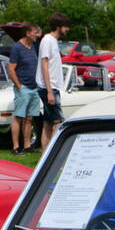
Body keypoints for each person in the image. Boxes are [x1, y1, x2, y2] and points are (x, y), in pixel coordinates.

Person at [8, 23, 42, 154]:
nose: (37, 35)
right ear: (28, 33)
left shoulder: (34, 46)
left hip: (34, 88)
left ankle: (27, 145)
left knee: (29, 117)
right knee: (19, 116)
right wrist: (19, 86)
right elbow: (11, 68)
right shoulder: (17, 48)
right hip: (23, 87)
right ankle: (15, 147)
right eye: (35, 32)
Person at [37, 12, 70, 146]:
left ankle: (45, 156)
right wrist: (50, 91)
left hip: (52, 87)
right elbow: (44, 65)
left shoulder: (54, 41)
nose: (68, 29)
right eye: (66, 26)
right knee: (58, 122)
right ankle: (55, 156)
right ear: (58, 26)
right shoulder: (47, 40)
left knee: (48, 123)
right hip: (48, 88)